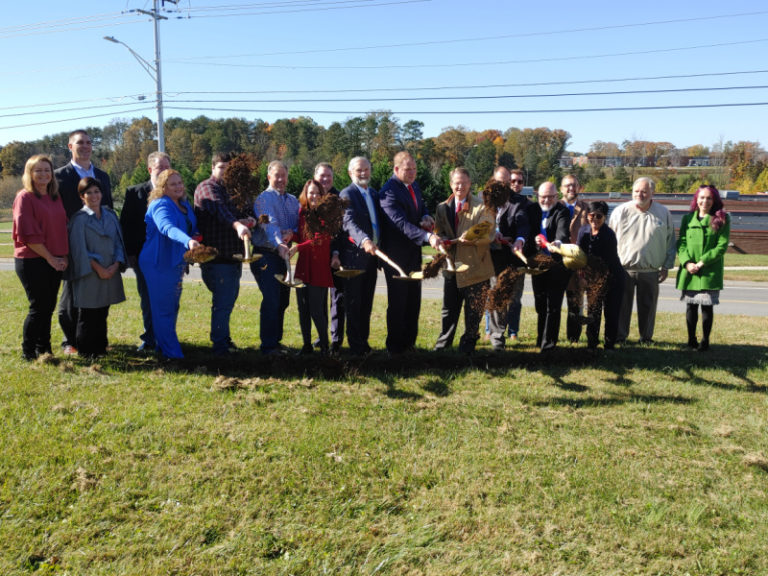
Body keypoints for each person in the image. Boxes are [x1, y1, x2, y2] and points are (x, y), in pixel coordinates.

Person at [55, 130, 113, 354]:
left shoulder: (103, 176)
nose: (86, 146)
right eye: (80, 143)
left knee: (99, 292)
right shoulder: (59, 177)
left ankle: (97, 339)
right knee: (71, 295)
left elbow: (107, 209)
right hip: (72, 245)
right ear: (70, 146)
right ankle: (70, 341)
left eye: (89, 142)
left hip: (100, 244)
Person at [379, 151, 442, 356]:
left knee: (413, 301)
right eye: (408, 169)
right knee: (398, 302)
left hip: (413, 255)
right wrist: (428, 237)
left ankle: (409, 344)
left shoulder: (413, 185)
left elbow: (420, 207)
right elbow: (400, 224)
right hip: (396, 258)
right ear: (396, 169)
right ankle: (395, 349)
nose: (412, 172)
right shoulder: (388, 192)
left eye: (414, 168)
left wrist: (425, 216)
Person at [194, 152, 253, 357]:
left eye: (229, 168)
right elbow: (221, 211)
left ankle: (224, 339)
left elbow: (247, 210)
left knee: (227, 301)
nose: (226, 172)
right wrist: (238, 224)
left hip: (233, 257)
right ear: (213, 168)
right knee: (223, 302)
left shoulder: (234, 190)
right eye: (222, 167)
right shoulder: (207, 188)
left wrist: (250, 220)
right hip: (216, 259)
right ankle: (219, 346)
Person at [138, 169, 200, 359]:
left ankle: (163, 347)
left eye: (180, 182)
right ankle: (173, 355)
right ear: (162, 187)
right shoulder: (160, 205)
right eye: (173, 184)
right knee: (163, 310)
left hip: (176, 263)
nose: (178, 187)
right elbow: (167, 228)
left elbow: (192, 226)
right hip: (158, 263)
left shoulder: (184, 204)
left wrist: (195, 239)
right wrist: (188, 241)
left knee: (172, 307)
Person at [12, 155, 69, 360]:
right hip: (32, 259)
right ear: (30, 173)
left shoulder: (55, 197)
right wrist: (51, 258)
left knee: (48, 306)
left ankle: (44, 349)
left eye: (47, 170)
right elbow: (28, 235)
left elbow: (60, 229)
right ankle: (28, 352)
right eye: (38, 170)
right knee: (38, 307)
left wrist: (62, 255)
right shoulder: (25, 197)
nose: (44, 174)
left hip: (54, 258)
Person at [433, 168, 495, 354]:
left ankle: (467, 347)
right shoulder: (442, 207)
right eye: (456, 183)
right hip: (452, 268)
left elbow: (488, 233)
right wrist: (439, 239)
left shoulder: (483, 206)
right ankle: (443, 345)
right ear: (451, 184)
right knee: (448, 311)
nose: (460, 186)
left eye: (464, 183)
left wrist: (473, 238)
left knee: (473, 312)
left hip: (476, 269)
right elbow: (439, 231)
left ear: (470, 184)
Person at [609, 177, 675, 345]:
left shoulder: (663, 213)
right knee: (622, 306)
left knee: (648, 306)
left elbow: (670, 242)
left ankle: (646, 338)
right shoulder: (621, 211)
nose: (640, 194)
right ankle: (620, 337)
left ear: (652, 192)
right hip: (623, 269)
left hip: (651, 270)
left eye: (644, 191)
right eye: (636, 191)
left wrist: (666, 266)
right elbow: (609, 239)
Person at [68, 177, 126, 358]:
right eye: (89, 193)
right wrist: (98, 268)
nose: (94, 196)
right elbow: (79, 250)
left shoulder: (110, 216)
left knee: (102, 311)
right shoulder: (79, 220)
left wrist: (116, 264)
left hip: (110, 269)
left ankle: (100, 348)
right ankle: (86, 351)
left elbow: (118, 242)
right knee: (88, 313)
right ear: (82, 196)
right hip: (90, 272)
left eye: (97, 192)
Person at [120, 150, 171, 352]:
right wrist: (131, 255)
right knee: (149, 298)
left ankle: (166, 337)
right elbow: (127, 226)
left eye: (167, 167)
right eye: (160, 168)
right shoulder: (135, 193)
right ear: (151, 169)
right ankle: (149, 338)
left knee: (168, 299)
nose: (164, 171)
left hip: (169, 257)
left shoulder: (175, 192)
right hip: (144, 257)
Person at [251, 160, 300, 355]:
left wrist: (292, 234)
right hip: (266, 254)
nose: (280, 179)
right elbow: (269, 225)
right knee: (271, 298)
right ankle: (268, 345)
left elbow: (298, 224)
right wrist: (280, 242)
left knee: (283, 300)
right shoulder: (263, 199)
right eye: (276, 175)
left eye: (283, 176)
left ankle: (276, 341)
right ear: (269, 176)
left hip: (283, 254)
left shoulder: (293, 200)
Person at [676, 185, 730, 351]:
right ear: (696, 199)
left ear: (714, 201)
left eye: (709, 198)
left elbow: (721, 246)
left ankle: (705, 341)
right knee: (691, 306)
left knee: (707, 307)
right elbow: (682, 243)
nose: (705, 201)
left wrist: (701, 263)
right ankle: (691, 340)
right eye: (702, 197)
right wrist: (687, 263)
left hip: (709, 271)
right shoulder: (688, 219)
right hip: (690, 271)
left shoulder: (721, 219)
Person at [291, 179, 339, 355]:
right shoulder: (302, 213)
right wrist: (292, 236)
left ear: (322, 196)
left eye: (317, 193)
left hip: (318, 266)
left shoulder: (326, 214)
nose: (314, 196)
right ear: (306, 194)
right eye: (311, 192)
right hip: (303, 264)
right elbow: (303, 237)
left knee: (317, 310)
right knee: (303, 308)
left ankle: (325, 346)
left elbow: (320, 239)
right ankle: (306, 346)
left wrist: (297, 247)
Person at [339, 156, 381, 357]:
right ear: (350, 173)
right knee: (354, 305)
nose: (363, 173)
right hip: (354, 259)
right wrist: (364, 240)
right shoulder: (346, 194)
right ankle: (355, 347)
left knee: (367, 304)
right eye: (359, 170)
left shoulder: (373, 193)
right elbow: (349, 223)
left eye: (366, 169)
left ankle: (363, 344)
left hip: (372, 259)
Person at [488, 169, 530, 350]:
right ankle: (497, 338)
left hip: (513, 258)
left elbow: (523, 224)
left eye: (507, 182)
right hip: (491, 258)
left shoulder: (520, 202)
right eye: (500, 181)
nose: (503, 185)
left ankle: (511, 331)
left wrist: (520, 240)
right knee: (495, 296)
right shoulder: (485, 199)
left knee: (513, 299)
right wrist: (492, 233)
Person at [576, 201, 624, 350]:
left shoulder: (609, 235)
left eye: (599, 216)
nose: (595, 219)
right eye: (591, 215)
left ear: (604, 217)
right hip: (593, 276)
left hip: (612, 276)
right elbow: (579, 255)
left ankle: (609, 344)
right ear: (587, 216)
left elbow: (607, 262)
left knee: (611, 312)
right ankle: (592, 343)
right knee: (593, 311)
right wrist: (582, 275)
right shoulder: (583, 232)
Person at [530, 181, 571, 352]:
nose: (546, 200)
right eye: (542, 196)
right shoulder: (533, 210)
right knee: (540, 305)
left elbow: (562, 231)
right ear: (538, 196)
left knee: (553, 306)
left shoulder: (561, 211)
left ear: (556, 196)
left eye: (550, 197)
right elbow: (528, 229)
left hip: (556, 265)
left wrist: (557, 242)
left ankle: (549, 344)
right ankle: (541, 339)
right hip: (538, 264)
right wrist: (534, 239)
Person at [314, 162, 345, 354]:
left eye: (328, 176)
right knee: (318, 299)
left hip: (336, 255)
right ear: (315, 176)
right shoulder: (311, 197)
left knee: (337, 299)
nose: (325, 179)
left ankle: (336, 340)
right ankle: (321, 337)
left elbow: (343, 231)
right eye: (322, 175)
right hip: (316, 256)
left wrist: (336, 254)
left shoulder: (340, 199)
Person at [560, 174, 590, 343]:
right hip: (558, 263)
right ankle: (551, 337)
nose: (571, 188)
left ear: (579, 188)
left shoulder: (587, 208)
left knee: (576, 303)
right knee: (554, 304)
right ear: (561, 188)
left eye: (574, 185)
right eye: (567, 185)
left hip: (578, 264)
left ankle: (573, 338)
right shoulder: (555, 206)